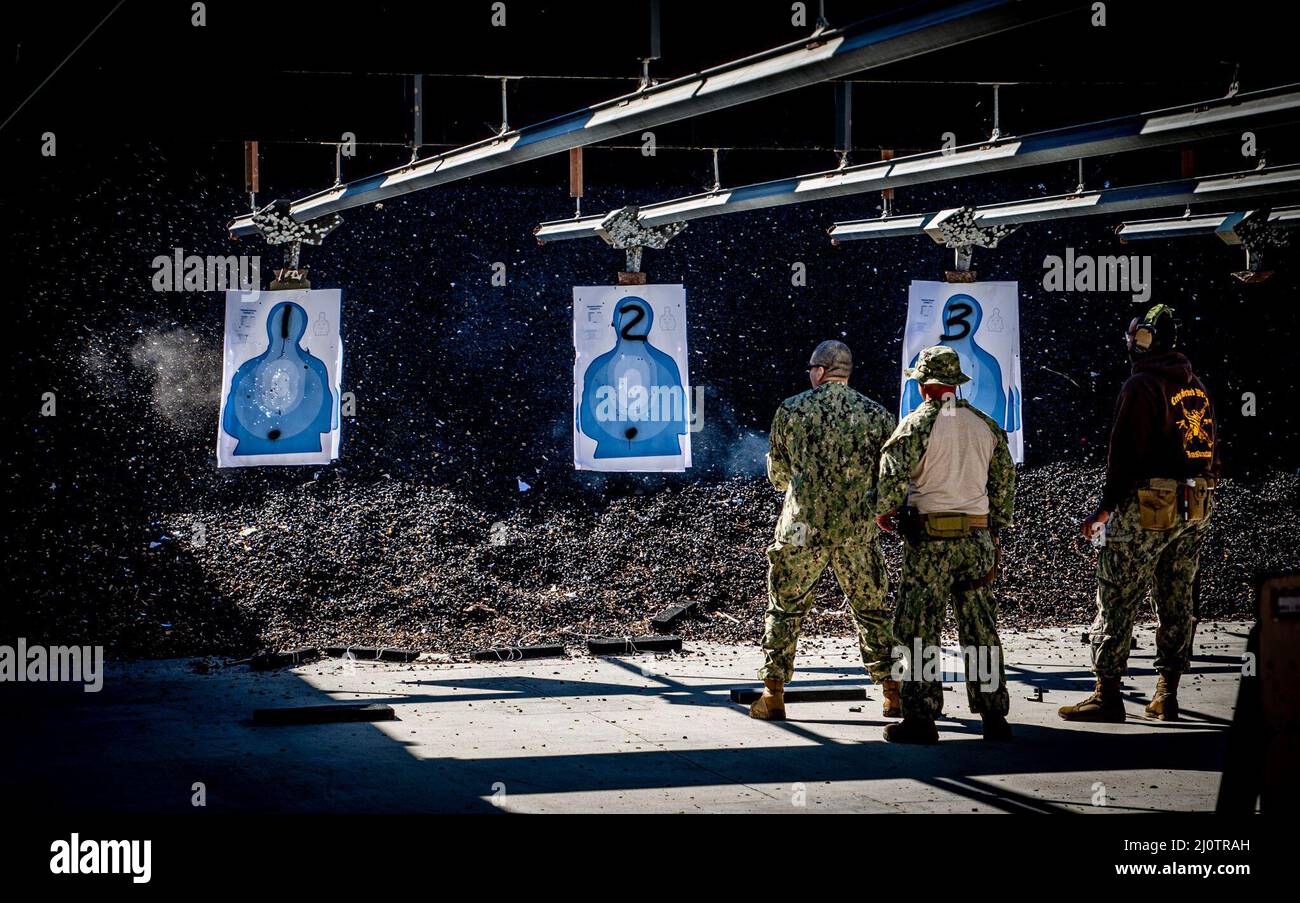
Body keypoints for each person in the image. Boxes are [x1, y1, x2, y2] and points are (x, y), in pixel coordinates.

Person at [1060, 304, 1216, 723]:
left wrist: (1105, 509)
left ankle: (1107, 694)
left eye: (1137, 336)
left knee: (1117, 596)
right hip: (1194, 505)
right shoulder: (1196, 386)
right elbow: (1208, 453)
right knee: (1177, 598)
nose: (1132, 344)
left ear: (1147, 339)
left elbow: (1123, 456)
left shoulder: (1140, 385)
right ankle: (1167, 693)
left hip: (1148, 506)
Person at [750, 340, 901, 721]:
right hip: (857, 529)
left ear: (819, 370)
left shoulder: (791, 410)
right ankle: (892, 693)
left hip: (801, 527)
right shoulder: (877, 415)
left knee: (785, 608)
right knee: (872, 611)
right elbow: (888, 477)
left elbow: (779, 476)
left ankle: (773, 694)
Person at [875, 346, 1016, 743]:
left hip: (930, 540)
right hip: (976, 538)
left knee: (917, 628)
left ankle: (920, 719)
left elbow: (889, 488)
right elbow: (1004, 484)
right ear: (956, 384)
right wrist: (995, 526)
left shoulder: (913, 427)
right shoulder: (985, 425)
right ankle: (994, 715)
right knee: (980, 628)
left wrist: (884, 514)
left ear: (923, 385)